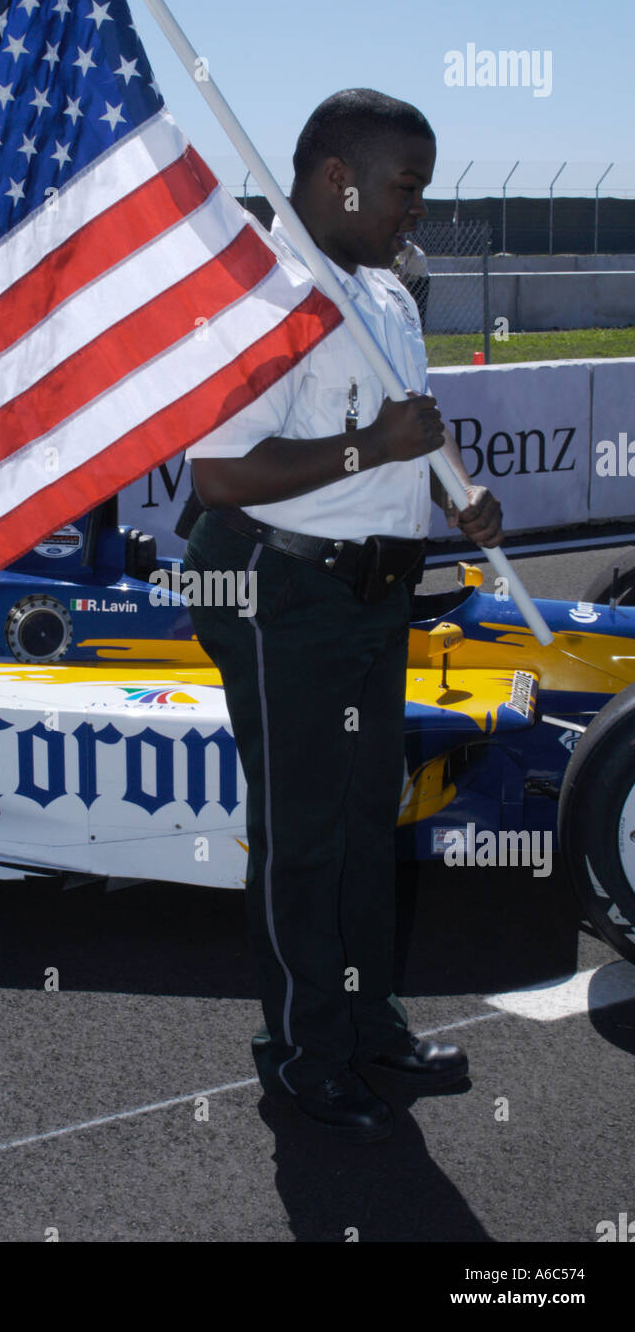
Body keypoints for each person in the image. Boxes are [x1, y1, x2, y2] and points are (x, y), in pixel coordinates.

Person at [183, 89, 503, 1140]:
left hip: (374, 593)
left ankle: (369, 1023)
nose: (417, 207)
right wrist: (384, 451)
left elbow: (402, 429)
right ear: (338, 176)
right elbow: (224, 474)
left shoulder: (385, 291)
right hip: (284, 592)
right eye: (406, 187)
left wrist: (457, 500)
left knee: (368, 821)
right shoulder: (268, 296)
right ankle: (304, 1050)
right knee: (304, 834)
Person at [394, 237, 431, 329]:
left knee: (419, 304)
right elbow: (399, 264)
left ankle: (420, 326)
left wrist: (399, 277)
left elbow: (408, 275)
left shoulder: (418, 257)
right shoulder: (407, 253)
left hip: (420, 280)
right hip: (411, 279)